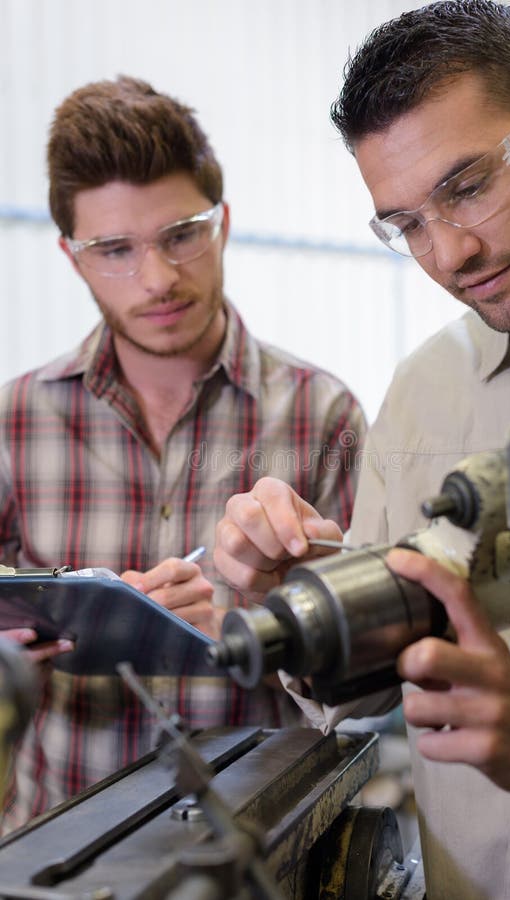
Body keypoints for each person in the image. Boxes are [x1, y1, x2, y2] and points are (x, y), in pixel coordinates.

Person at [213, 2, 510, 898]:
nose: (449, 255)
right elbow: (371, 684)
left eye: (466, 187)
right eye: (405, 224)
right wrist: (301, 605)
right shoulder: (422, 391)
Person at [0, 75, 366, 831]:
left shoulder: (323, 415)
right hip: (57, 840)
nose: (158, 278)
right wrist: (45, 627)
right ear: (72, 258)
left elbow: (373, 687)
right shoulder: (13, 420)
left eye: (181, 235)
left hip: (261, 841)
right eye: (114, 250)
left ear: (223, 223)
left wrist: (286, 614)